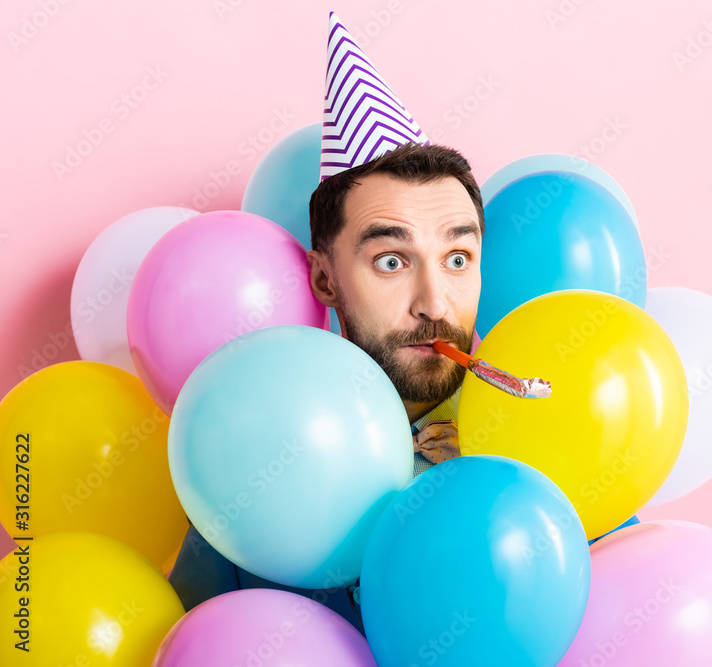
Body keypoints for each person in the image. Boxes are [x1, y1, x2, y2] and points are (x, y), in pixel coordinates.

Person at [167, 141, 484, 636]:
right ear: (324, 278)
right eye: (391, 262)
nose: (435, 305)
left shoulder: (547, 434)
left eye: (458, 259)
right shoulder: (247, 457)